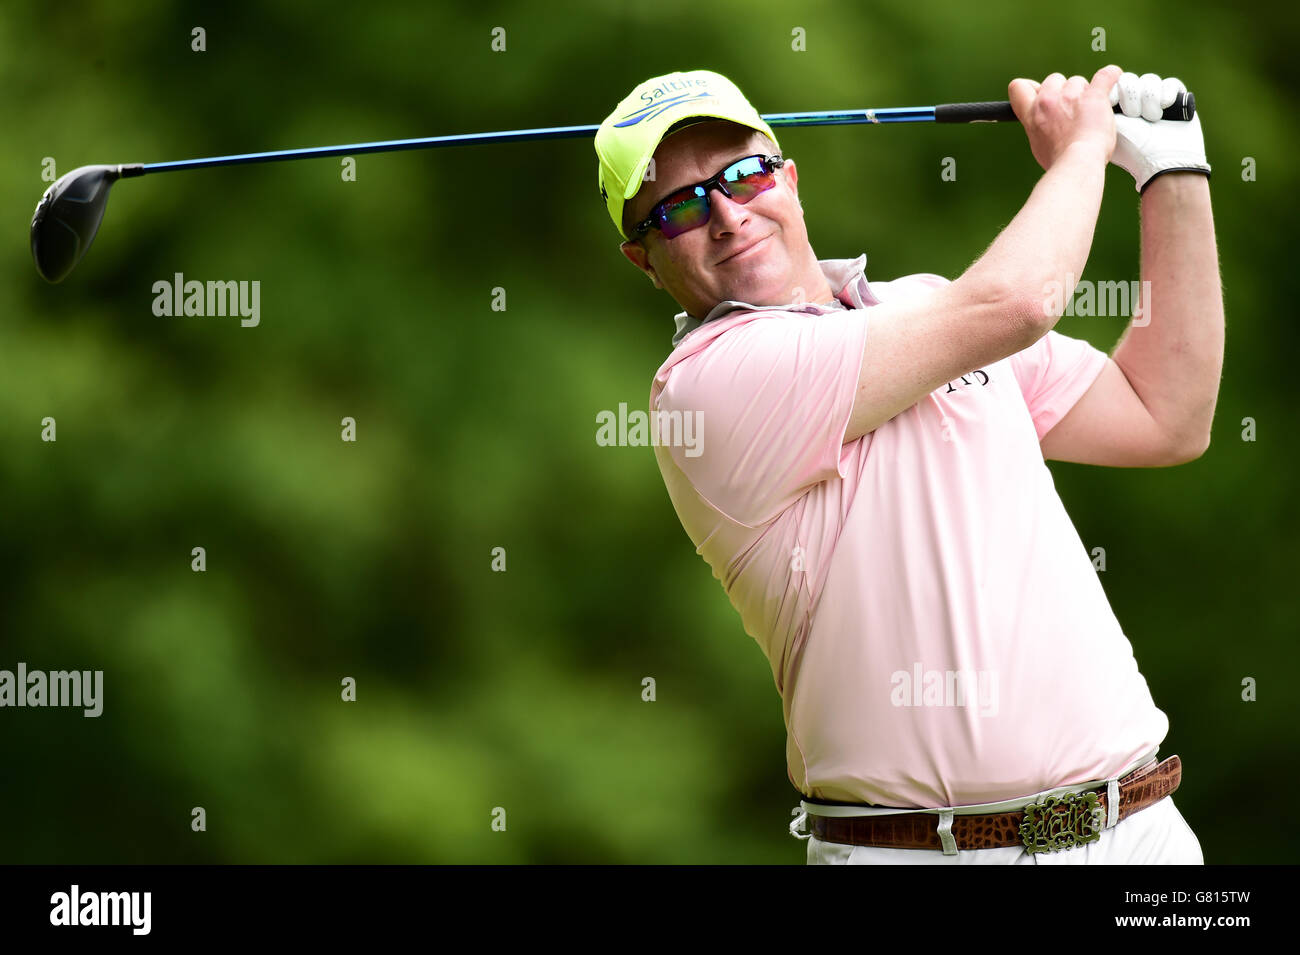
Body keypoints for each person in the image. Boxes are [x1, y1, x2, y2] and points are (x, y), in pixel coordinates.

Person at [594, 67, 1222, 864]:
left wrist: (1172, 170)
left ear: (787, 179)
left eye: (743, 174)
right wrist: (1084, 148)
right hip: (926, 854)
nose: (726, 213)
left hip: (1141, 830)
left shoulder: (926, 307)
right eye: (678, 207)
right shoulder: (707, 386)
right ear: (642, 258)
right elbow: (1020, 302)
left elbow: (1165, 413)